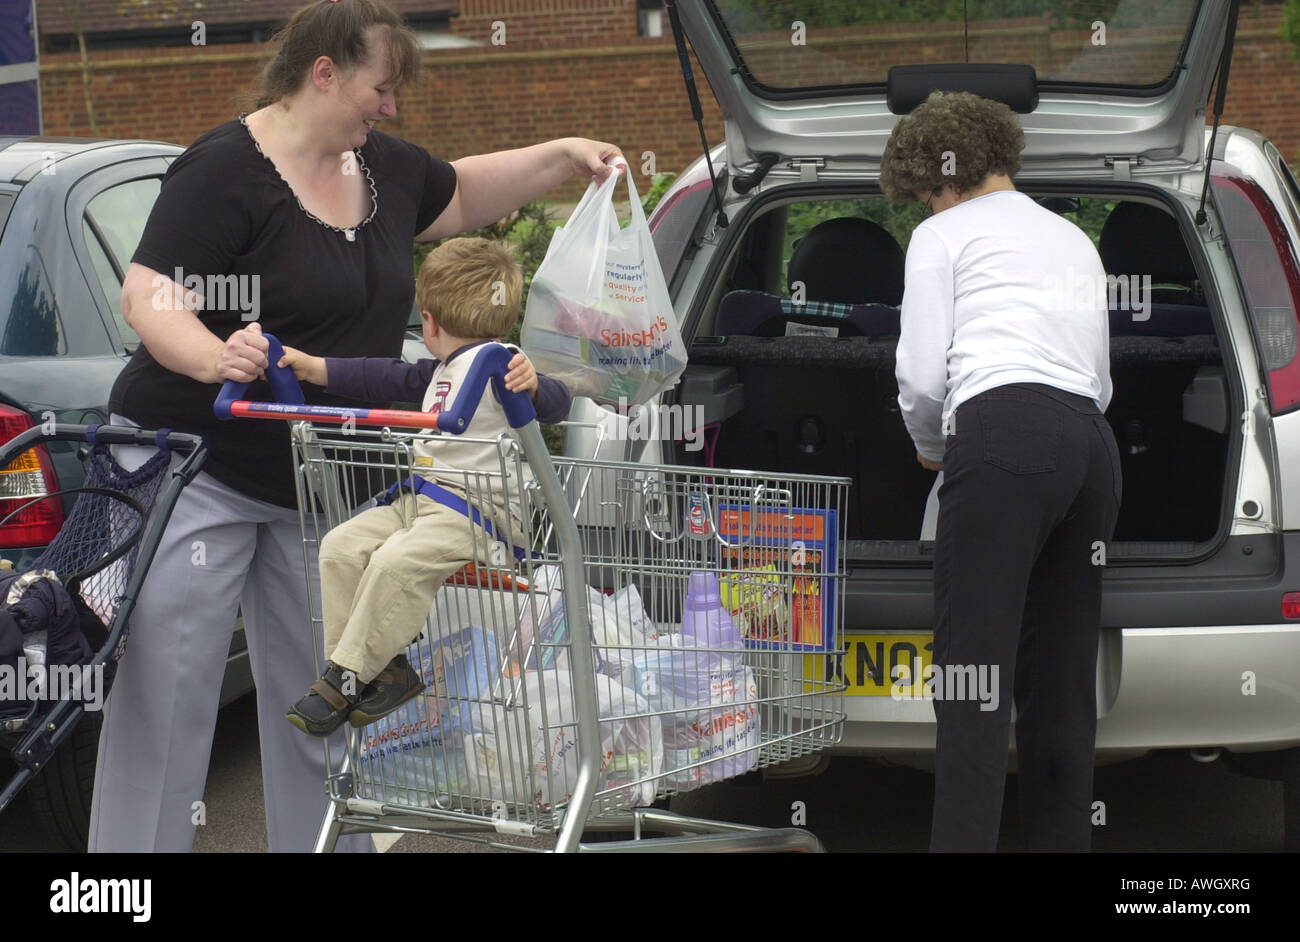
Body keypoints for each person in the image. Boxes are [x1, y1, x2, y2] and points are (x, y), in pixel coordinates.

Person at [89, 0, 622, 853]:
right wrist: (208, 356)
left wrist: (564, 155)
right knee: (170, 699)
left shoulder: (380, 170)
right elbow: (150, 293)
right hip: (199, 470)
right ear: (325, 73)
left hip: (319, 487)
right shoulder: (224, 170)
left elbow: (468, 187)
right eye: (381, 87)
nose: (392, 107)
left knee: (329, 698)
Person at [880, 90, 1122, 852]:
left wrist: (934, 447)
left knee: (971, 686)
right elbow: (1099, 375)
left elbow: (921, 375)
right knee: (1059, 688)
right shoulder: (1073, 239)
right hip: (1091, 449)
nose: (925, 203)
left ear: (944, 177)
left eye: (924, 190)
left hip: (1001, 437)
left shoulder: (942, 235)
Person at [277, 237, 572, 735]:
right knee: (339, 547)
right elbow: (381, 377)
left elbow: (558, 401)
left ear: (429, 321)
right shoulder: (440, 373)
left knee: (396, 562)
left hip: (480, 514)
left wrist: (536, 383)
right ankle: (381, 670)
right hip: (423, 500)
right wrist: (313, 367)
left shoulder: (501, 363)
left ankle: (345, 679)